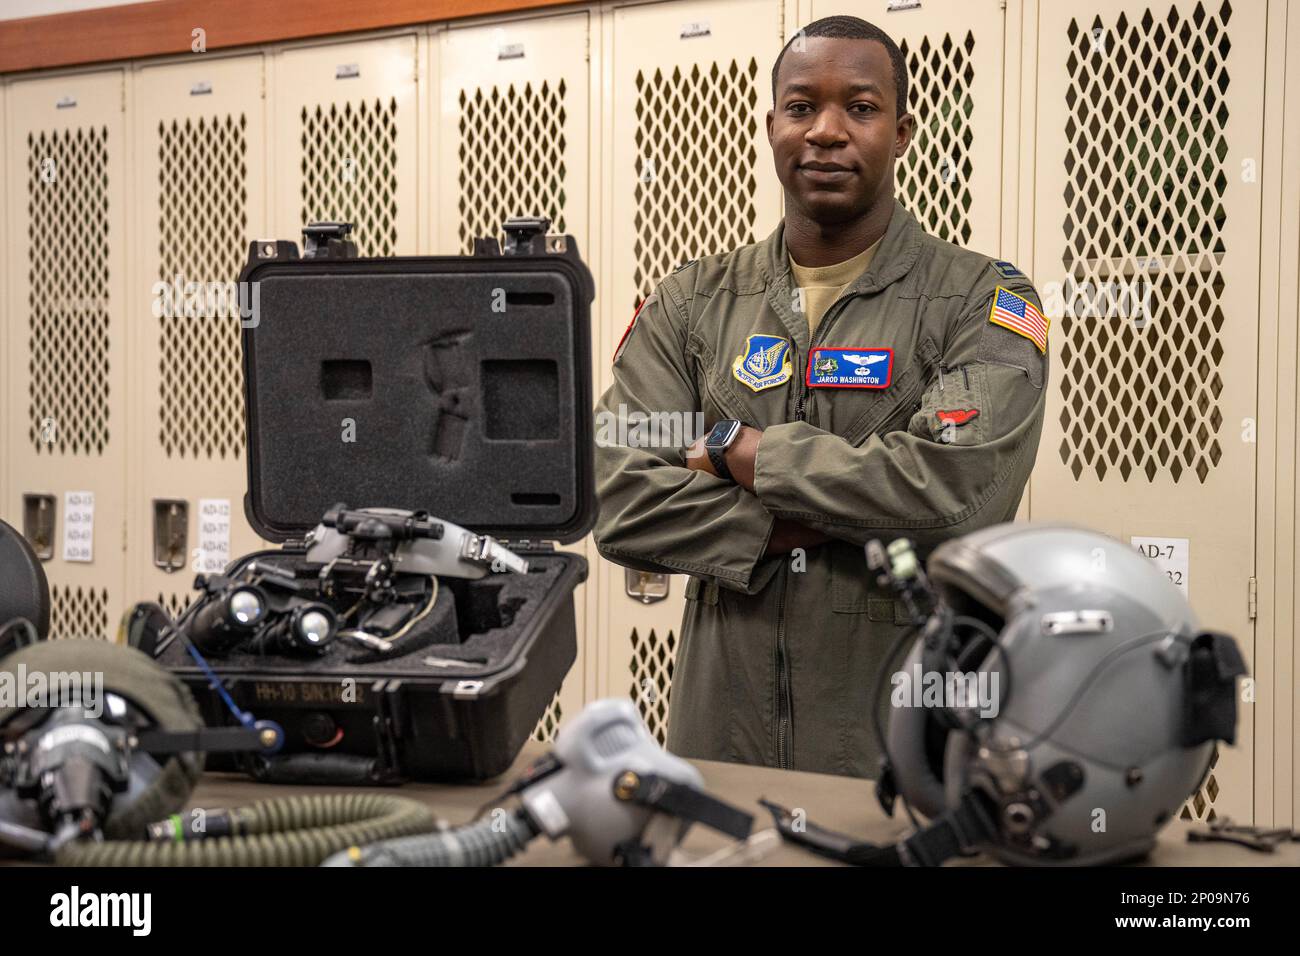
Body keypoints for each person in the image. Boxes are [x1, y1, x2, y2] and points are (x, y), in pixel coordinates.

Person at [593, 15, 1049, 776]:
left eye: (861, 108)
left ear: (902, 132)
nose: (828, 131)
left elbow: (956, 489)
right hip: (721, 740)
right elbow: (613, 494)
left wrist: (739, 451)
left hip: (897, 745)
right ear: (771, 125)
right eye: (802, 107)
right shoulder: (692, 301)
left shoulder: (979, 299)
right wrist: (799, 525)